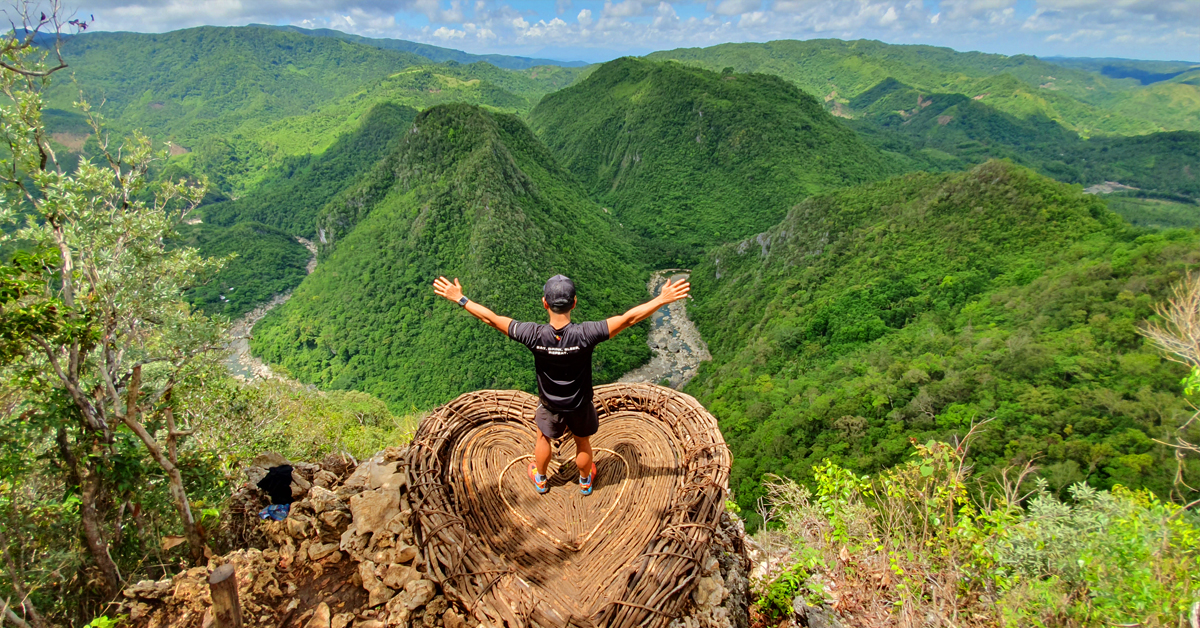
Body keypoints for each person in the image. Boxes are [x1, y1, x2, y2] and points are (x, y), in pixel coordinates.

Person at [432, 273, 691, 495]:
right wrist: (661, 299)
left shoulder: (533, 335)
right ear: (574, 303)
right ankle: (585, 480)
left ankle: (541, 479)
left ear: (544, 303)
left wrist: (460, 298)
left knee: (543, 437)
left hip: (550, 404)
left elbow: (491, 318)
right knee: (582, 442)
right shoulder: (586, 334)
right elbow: (628, 319)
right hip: (579, 403)